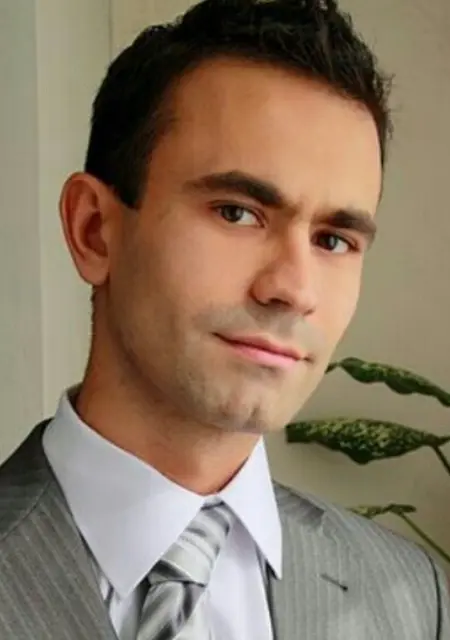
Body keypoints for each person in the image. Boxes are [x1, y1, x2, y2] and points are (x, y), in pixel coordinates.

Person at [0, 0, 448, 638]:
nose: (293, 289)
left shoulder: (413, 599)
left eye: (333, 240)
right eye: (237, 213)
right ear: (94, 230)